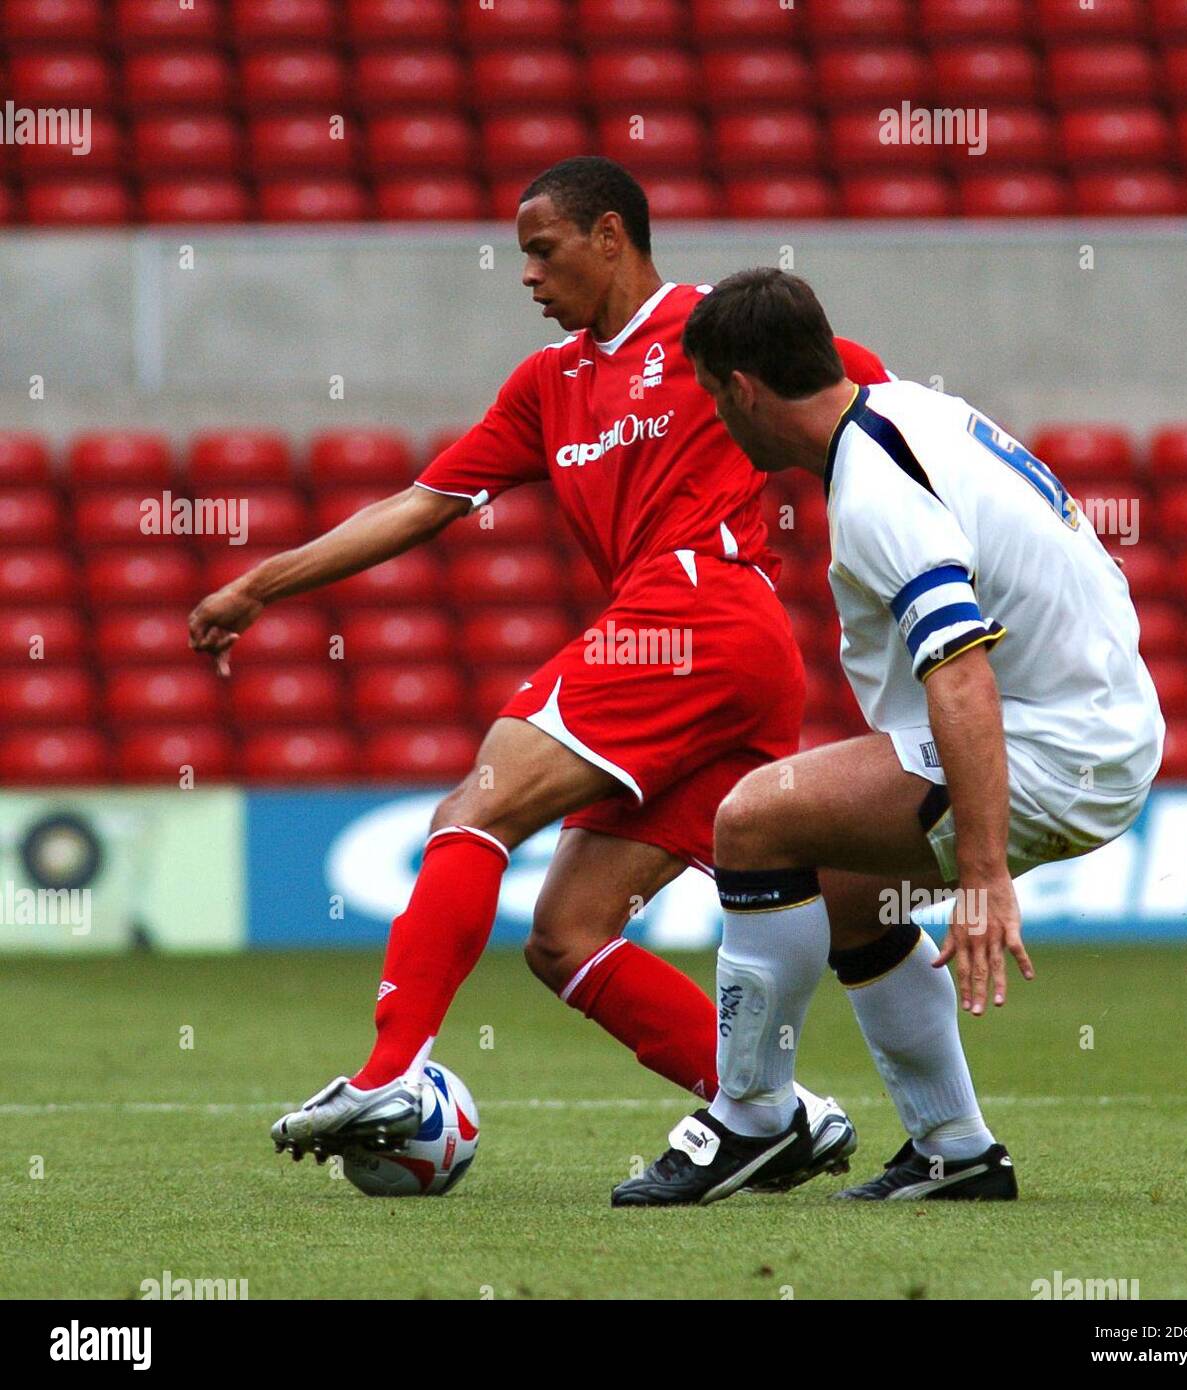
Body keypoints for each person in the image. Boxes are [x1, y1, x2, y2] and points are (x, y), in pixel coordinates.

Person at [188, 161, 889, 1181]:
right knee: (566, 935)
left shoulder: (712, 327)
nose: (525, 273)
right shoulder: (546, 384)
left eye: (541, 248)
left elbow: (864, 392)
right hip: (722, 657)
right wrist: (265, 584)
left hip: (696, 608)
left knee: (474, 808)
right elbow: (422, 503)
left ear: (611, 235)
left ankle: (391, 1069)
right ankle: (775, 1112)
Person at [612, 268, 1164, 1206]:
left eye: (712, 396)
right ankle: (955, 1150)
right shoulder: (909, 409)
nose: (716, 420)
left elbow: (960, 671)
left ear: (741, 388)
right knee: (848, 892)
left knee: (754, 821)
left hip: (1054, 743)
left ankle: (752, 1117)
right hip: (1101, 722)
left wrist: (984, 876)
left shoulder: (876, 493)